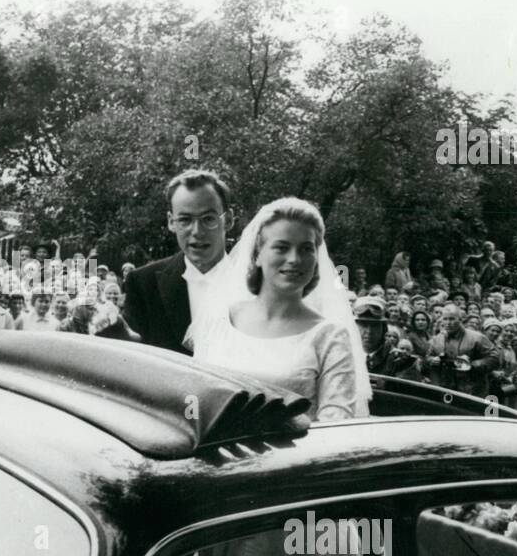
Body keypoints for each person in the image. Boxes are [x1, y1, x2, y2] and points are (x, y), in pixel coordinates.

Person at [189, 197, 365, 421]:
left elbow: (336, 422)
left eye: (306, 249)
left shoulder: (329, 336)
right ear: (258, 255)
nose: (294, 259)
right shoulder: (219, 322)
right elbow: (194, 401)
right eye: (281, 247)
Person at [123, 169, 233, 356]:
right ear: (171, 222)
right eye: (185, 220)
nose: (197, 231)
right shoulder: (143, 284)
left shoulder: (258, 283)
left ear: (228, 220)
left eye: (208, 219)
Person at [422, 303, 500, 397]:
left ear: (460, 319)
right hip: (445, 389)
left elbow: (494, 357)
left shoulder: (477, 337)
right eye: (445, 319)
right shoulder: (437, 339)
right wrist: (432, 360)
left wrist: (472, 365)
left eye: (452, 319)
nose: (448, 323)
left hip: (472, 390)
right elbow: (427, 358)